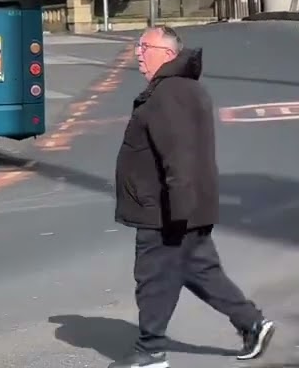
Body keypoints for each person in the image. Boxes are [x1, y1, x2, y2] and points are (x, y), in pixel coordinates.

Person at [110, 26, 275, 368]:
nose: (138, 53)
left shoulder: (169, 93)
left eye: (145, 47)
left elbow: (179, 155)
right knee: (201, 270)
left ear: (168, 54)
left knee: (154, 277)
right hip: (180, 206)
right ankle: (252, 324)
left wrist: (179, 212)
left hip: (166, 209)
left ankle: (151, 351)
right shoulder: (181, 89)